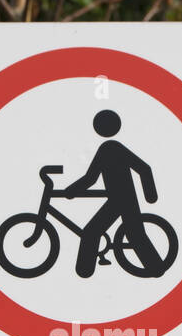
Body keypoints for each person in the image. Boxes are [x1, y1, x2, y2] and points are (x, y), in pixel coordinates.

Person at [63, 110, 165, 277]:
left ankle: (84, 271)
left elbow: (91, 178)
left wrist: (72, 190)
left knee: (94, 232)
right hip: (121, 199)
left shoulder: (110, 148)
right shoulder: (111, 148)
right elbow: (143, 169)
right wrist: (150, 196)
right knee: (134, 234)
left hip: (121, 201)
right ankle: (156, 268)